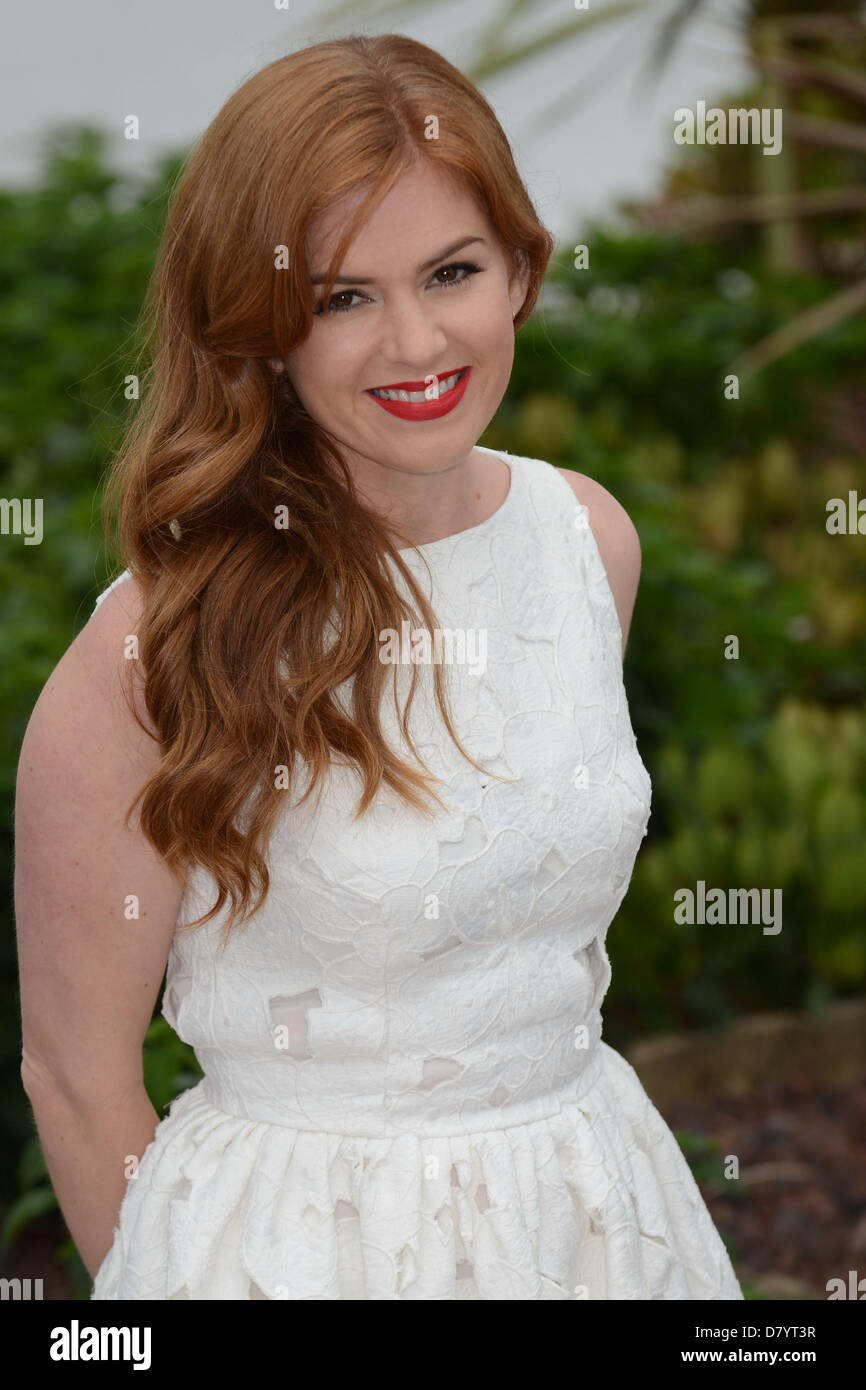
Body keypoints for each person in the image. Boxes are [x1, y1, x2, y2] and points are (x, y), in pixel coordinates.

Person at [15, 33, 743, 1300]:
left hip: (589, 1218)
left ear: (517, 268)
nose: (415, 341)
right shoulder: (155, 643)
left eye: (450, 271)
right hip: (293, 1253)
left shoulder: (586, 540)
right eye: (342, 297)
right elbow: (76, 1077)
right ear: (260, 328)